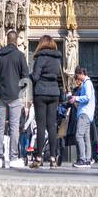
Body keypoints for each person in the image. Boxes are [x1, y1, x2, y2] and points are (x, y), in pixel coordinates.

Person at [0, 29, 29, 168]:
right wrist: (20, 93)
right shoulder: (20, 56)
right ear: (16, 40)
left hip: (2, 96)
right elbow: (25, 77)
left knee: (0, 127)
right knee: (14, 127)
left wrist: (0, 90)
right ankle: (13, 157)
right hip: (15, 96)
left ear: (7, 40)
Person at [30, 34, 64, 169]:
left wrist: (29, 77)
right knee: (52, 127)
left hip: (41, 92)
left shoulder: (41, 57)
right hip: (54, 93)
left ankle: (38, 158)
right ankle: (53, 158)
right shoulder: (57, 59)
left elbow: (36, 76)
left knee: (41, 126)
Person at [70, 65, 96, 167]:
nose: (77, 78)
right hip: (88, 114)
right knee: (86, 137)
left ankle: (82, 159)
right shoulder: (87, 84)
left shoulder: (87, 84)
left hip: (84, 113)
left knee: (79, 136)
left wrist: (76, 98)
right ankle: (88, 159)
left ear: (81, 74)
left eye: (77, 75)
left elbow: (87, 97)